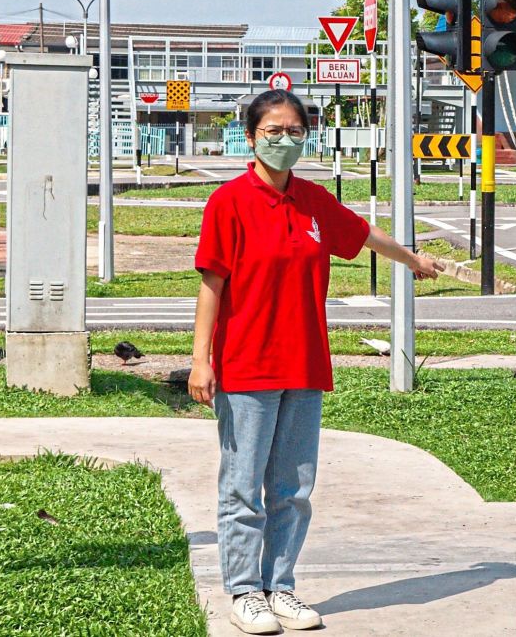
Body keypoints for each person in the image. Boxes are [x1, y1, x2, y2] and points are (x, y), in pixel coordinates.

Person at [189, 89, 440, 634]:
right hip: (246, 366)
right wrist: (200, 360)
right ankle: (244, 591)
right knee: (242, 486)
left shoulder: (312, 200)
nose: (284, 140)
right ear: (251, 137)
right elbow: (212, 284)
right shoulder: (228, 202)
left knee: (293, 489)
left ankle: (280, 586)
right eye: (273, 131)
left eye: (294, 131)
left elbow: (362, 234)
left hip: (303, 364)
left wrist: (412, 259)